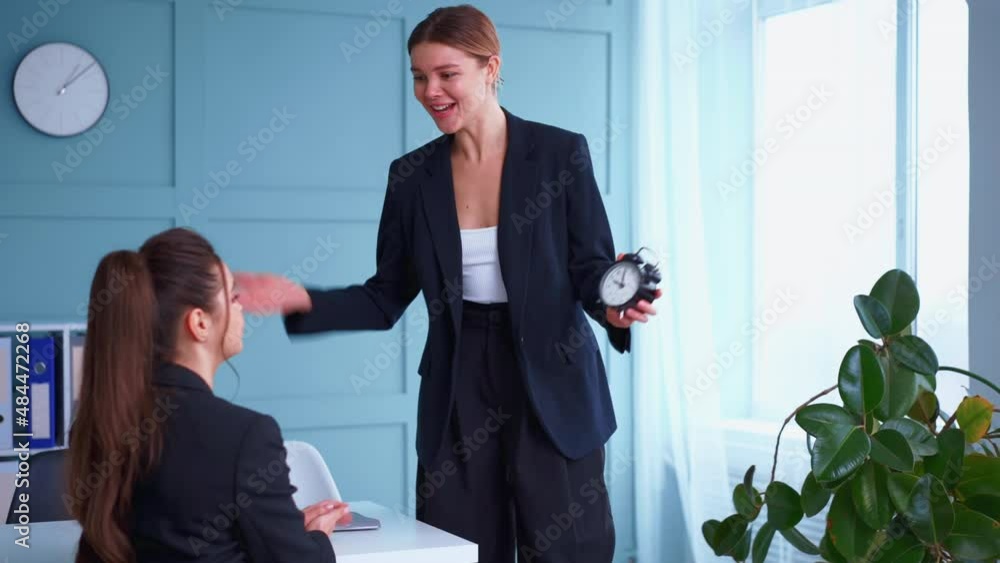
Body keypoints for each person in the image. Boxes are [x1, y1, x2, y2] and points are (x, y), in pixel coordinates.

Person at [235, 5, 661, 563]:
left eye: (446, 74)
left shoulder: (560, 153)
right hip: (459, 388)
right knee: (455, 551)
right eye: (419, 76)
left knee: (569, 552)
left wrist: (613, 307)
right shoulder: (411, 177)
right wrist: (301, 299)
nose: (429, 91)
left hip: (553, 382)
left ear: (491, 68)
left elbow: (591, 268)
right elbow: (385, 295)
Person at [66, 227, 350, 563]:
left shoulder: (100, 422)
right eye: (233, 297)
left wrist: (280, 529)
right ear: (199, 323)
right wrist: (316, 536)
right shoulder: (247, 437)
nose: (241, 308)